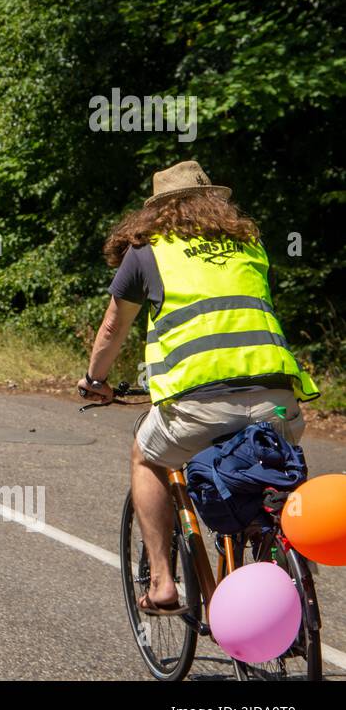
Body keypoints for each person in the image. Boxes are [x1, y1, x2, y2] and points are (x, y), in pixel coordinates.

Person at [77, 160, 318, 614]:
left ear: (156, 212)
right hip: (280, 401)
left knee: (146, 456)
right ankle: (272, 555)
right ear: (215, 203)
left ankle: (165, 584)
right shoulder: (251, 247)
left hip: (199, 404)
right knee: (265, 465)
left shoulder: (147, 252)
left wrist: (96, 381)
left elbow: (112, 328)